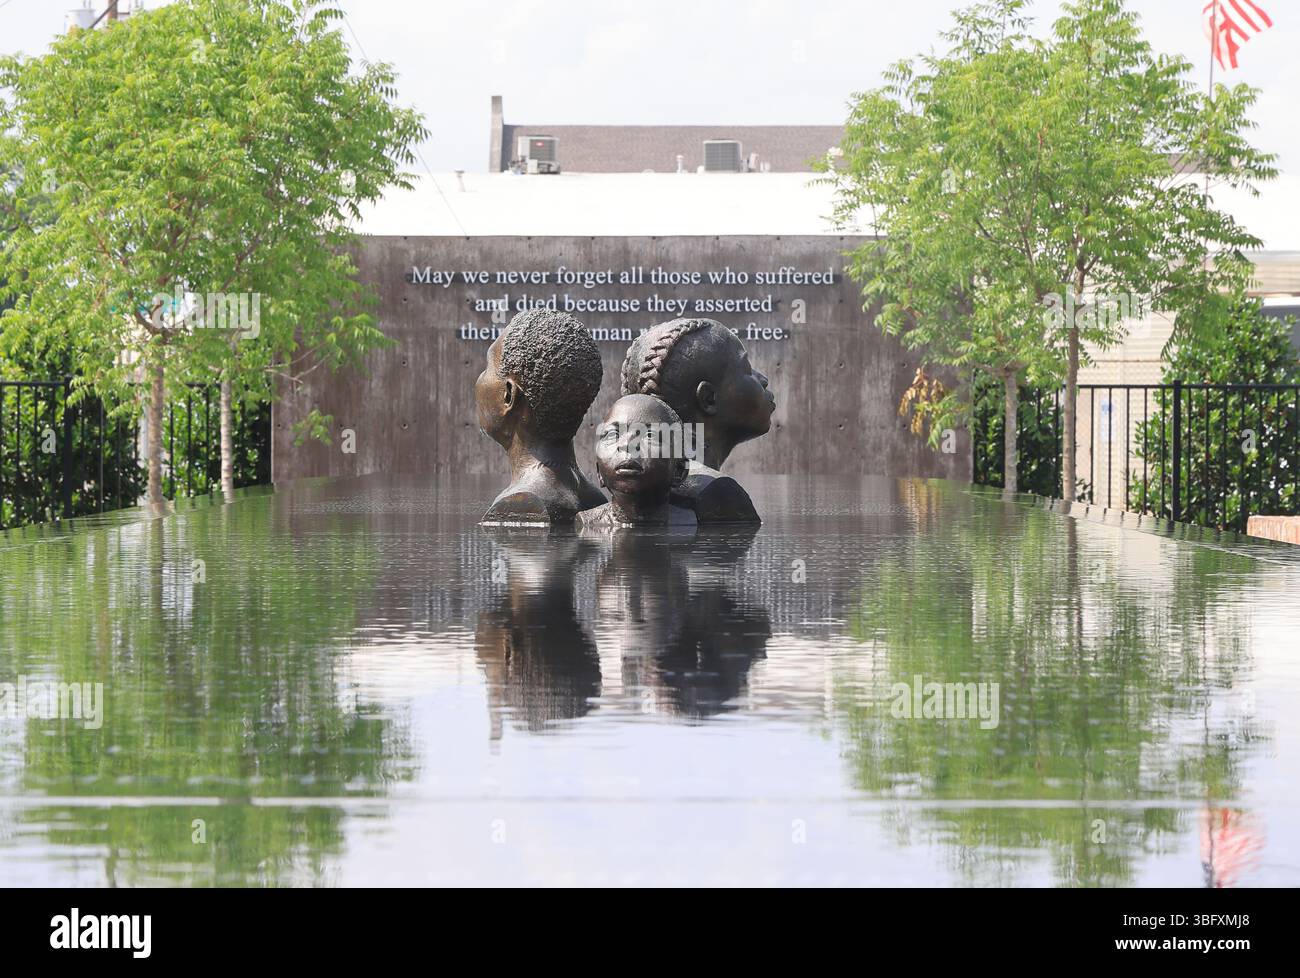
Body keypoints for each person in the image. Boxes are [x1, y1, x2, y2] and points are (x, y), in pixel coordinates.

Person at [619, 318, 774, 523]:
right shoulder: (719, 494)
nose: (763, 379)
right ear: (709, 399)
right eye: (747, 368)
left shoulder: (636, 487)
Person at [475, 308, 606, 523]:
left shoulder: (521, 505)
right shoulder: (595, 502)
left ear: (509, 395)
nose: (479, 379)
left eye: (487, 368)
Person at [576, 394, 697, 529]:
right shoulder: (587, 524)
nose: (628, 444)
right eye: (614, 435)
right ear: (599, 473)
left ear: (678, 471)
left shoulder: (689, 524)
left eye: (650, 435)